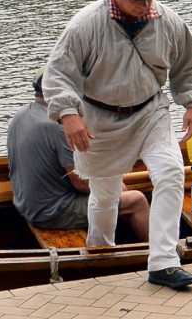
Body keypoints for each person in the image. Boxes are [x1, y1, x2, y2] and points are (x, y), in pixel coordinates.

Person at [41, 0, 192, 291]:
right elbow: (58, 73)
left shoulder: (169, 21)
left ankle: (163, 262)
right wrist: (69, 114)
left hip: (151, 111)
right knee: (105, 195)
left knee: (172, 173)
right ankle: (101, 251)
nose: (145, 4)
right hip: (100, 117)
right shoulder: (85, 24)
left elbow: (189, 66)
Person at [8, 76, 149, 240]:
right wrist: (112, 186)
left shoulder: (20, 116)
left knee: (116, 192)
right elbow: (80, 182)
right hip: (52, 212)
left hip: (25, 204)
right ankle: (161, 259)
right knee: (136, 200)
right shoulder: (60, 127)